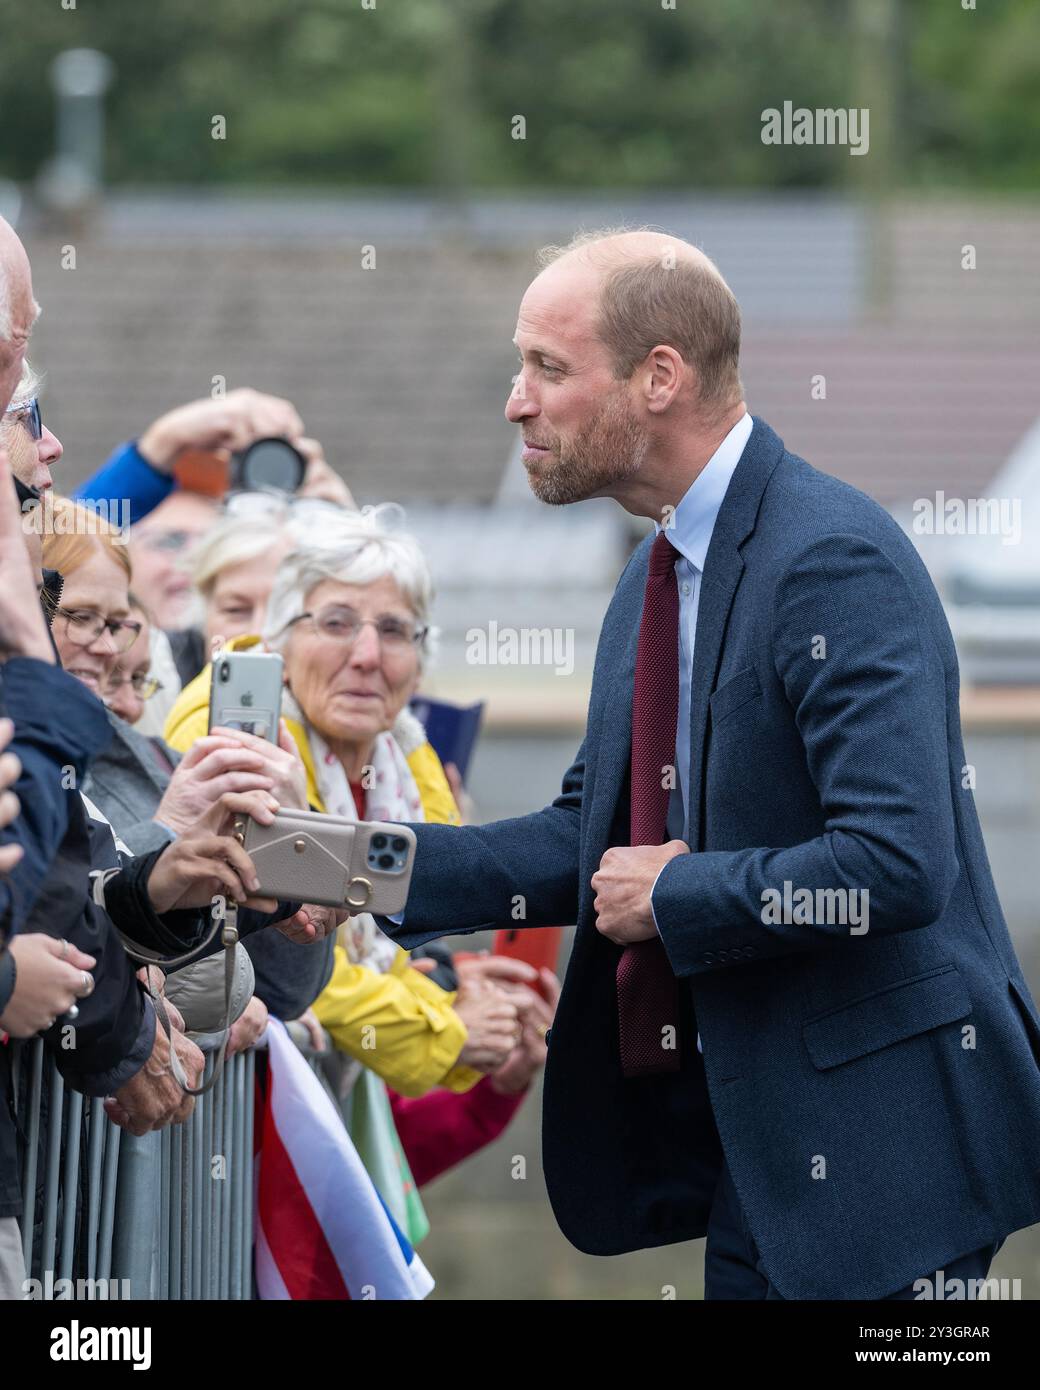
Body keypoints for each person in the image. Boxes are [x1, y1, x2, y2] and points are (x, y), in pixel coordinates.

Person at [363, 227, 1040, 1301]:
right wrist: (342, 870)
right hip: (759, 1163)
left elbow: (896, 863)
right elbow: (582, 843)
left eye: (546, 367)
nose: (515, 402)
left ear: (659, 378)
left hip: (885, 1169)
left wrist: (678, 891)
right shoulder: (654, 571)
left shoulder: (829, 558)